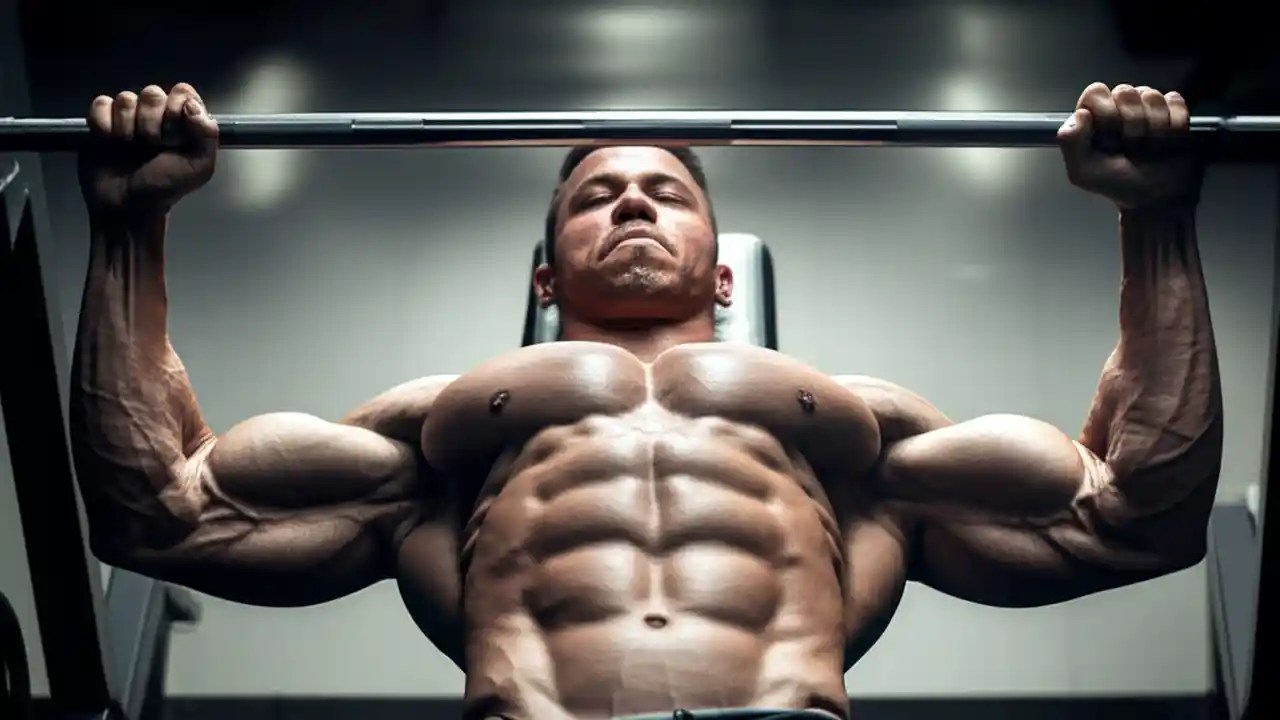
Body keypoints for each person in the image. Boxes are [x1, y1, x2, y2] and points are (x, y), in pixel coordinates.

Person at [70, 81, 1221, 720]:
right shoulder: (444, 441)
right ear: (544, 268)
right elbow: (163, 509)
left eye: (664, 191)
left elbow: (1132, 514)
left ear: (721, 271)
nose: (630, 206)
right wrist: (129, 226)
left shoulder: (852, 440)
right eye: (597, 194)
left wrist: (1153, 218)